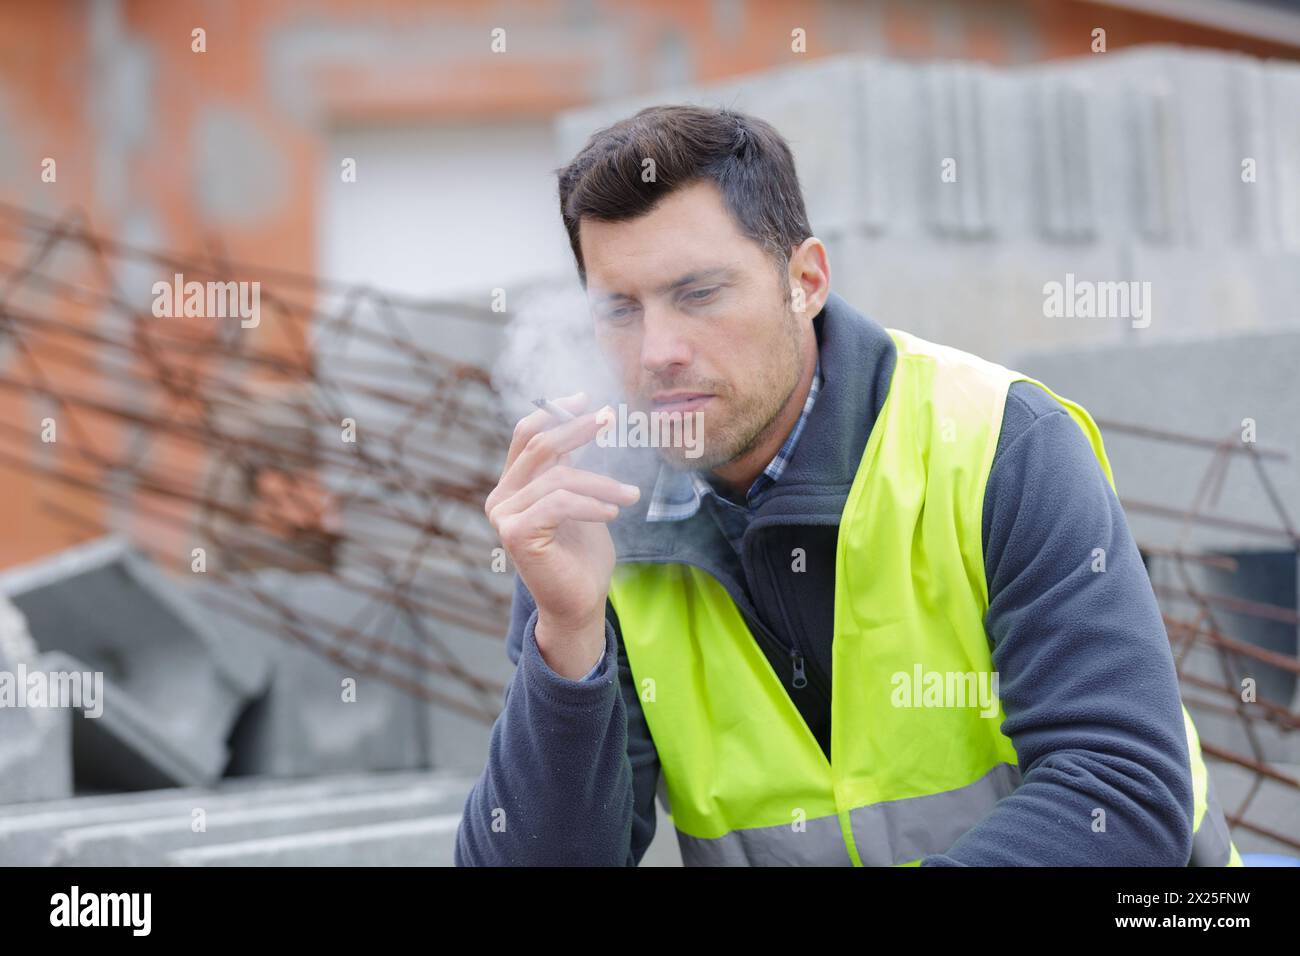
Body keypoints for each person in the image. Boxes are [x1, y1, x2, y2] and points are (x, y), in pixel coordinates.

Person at [458, 104, 1241, 866]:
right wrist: (566, 637)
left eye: (698, 294)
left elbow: (1121, 793)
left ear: (806, 280)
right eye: (620, 309)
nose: (657, 350)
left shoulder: (1001, 446)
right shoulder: (596, 520)